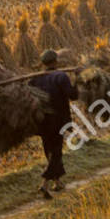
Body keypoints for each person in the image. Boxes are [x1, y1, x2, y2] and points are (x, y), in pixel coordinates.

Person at [31, 49, 77, 194]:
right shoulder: (61, 77)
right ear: (56, 62)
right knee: (56, 151)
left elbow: (28, 94)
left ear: (43, 63)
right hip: (57, 120)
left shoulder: (35, 79)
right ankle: (45, 182)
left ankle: (57, 182)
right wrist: (77, 79)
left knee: (49, 151)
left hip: (42, 121)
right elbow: (73, 95)